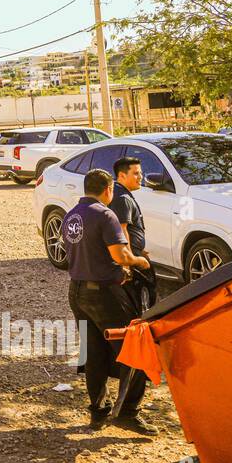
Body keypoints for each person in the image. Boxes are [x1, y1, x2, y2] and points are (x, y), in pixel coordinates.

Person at [63, 168, 159, 435]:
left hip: (77, 292)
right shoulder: (105, 214)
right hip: (103, 293)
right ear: (108, 189)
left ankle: (98, 410)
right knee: (136, 344)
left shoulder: (72, 215)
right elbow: (119, 255)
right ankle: (128, 412)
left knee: (93, 353)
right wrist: (140, 261)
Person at [111, 155, 156, 313]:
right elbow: (122, 230)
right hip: (129, 258)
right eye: (136, 173)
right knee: (140, 299)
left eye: (141, 173)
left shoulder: (120, 192)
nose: (141, 177)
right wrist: (128, 263)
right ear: (122, 175)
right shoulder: (122, 198)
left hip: (133, 253)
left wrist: (140, 249)